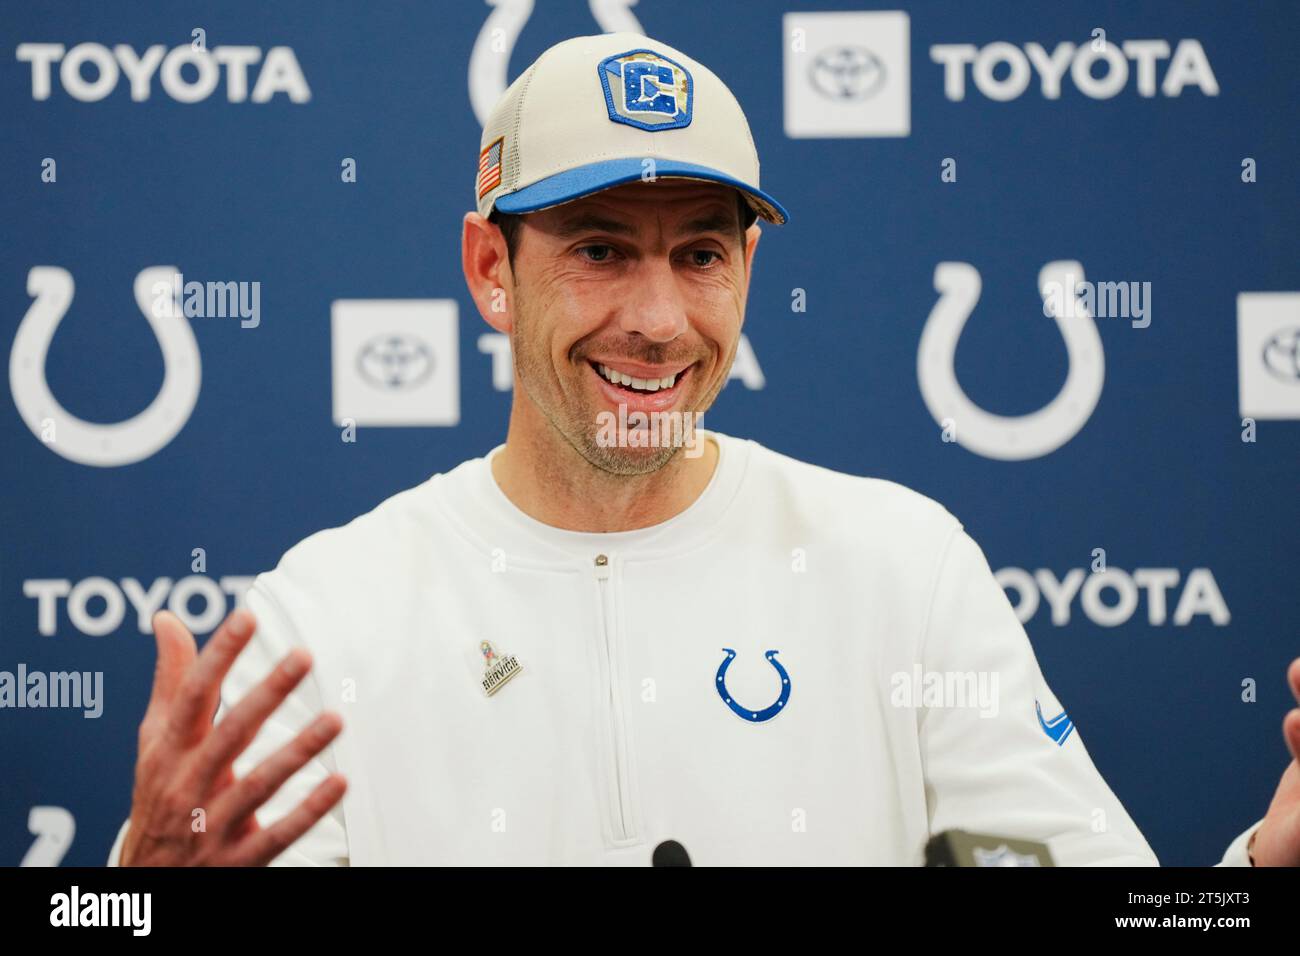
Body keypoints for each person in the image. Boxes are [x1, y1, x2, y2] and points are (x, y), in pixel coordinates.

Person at [109, 32, 1297, 866]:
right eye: (599, 248)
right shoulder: (328, 612)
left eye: (700, 254)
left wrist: (1258, 867)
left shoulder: (899, 563)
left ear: (746, 271)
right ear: (491, 272)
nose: (661, 318)